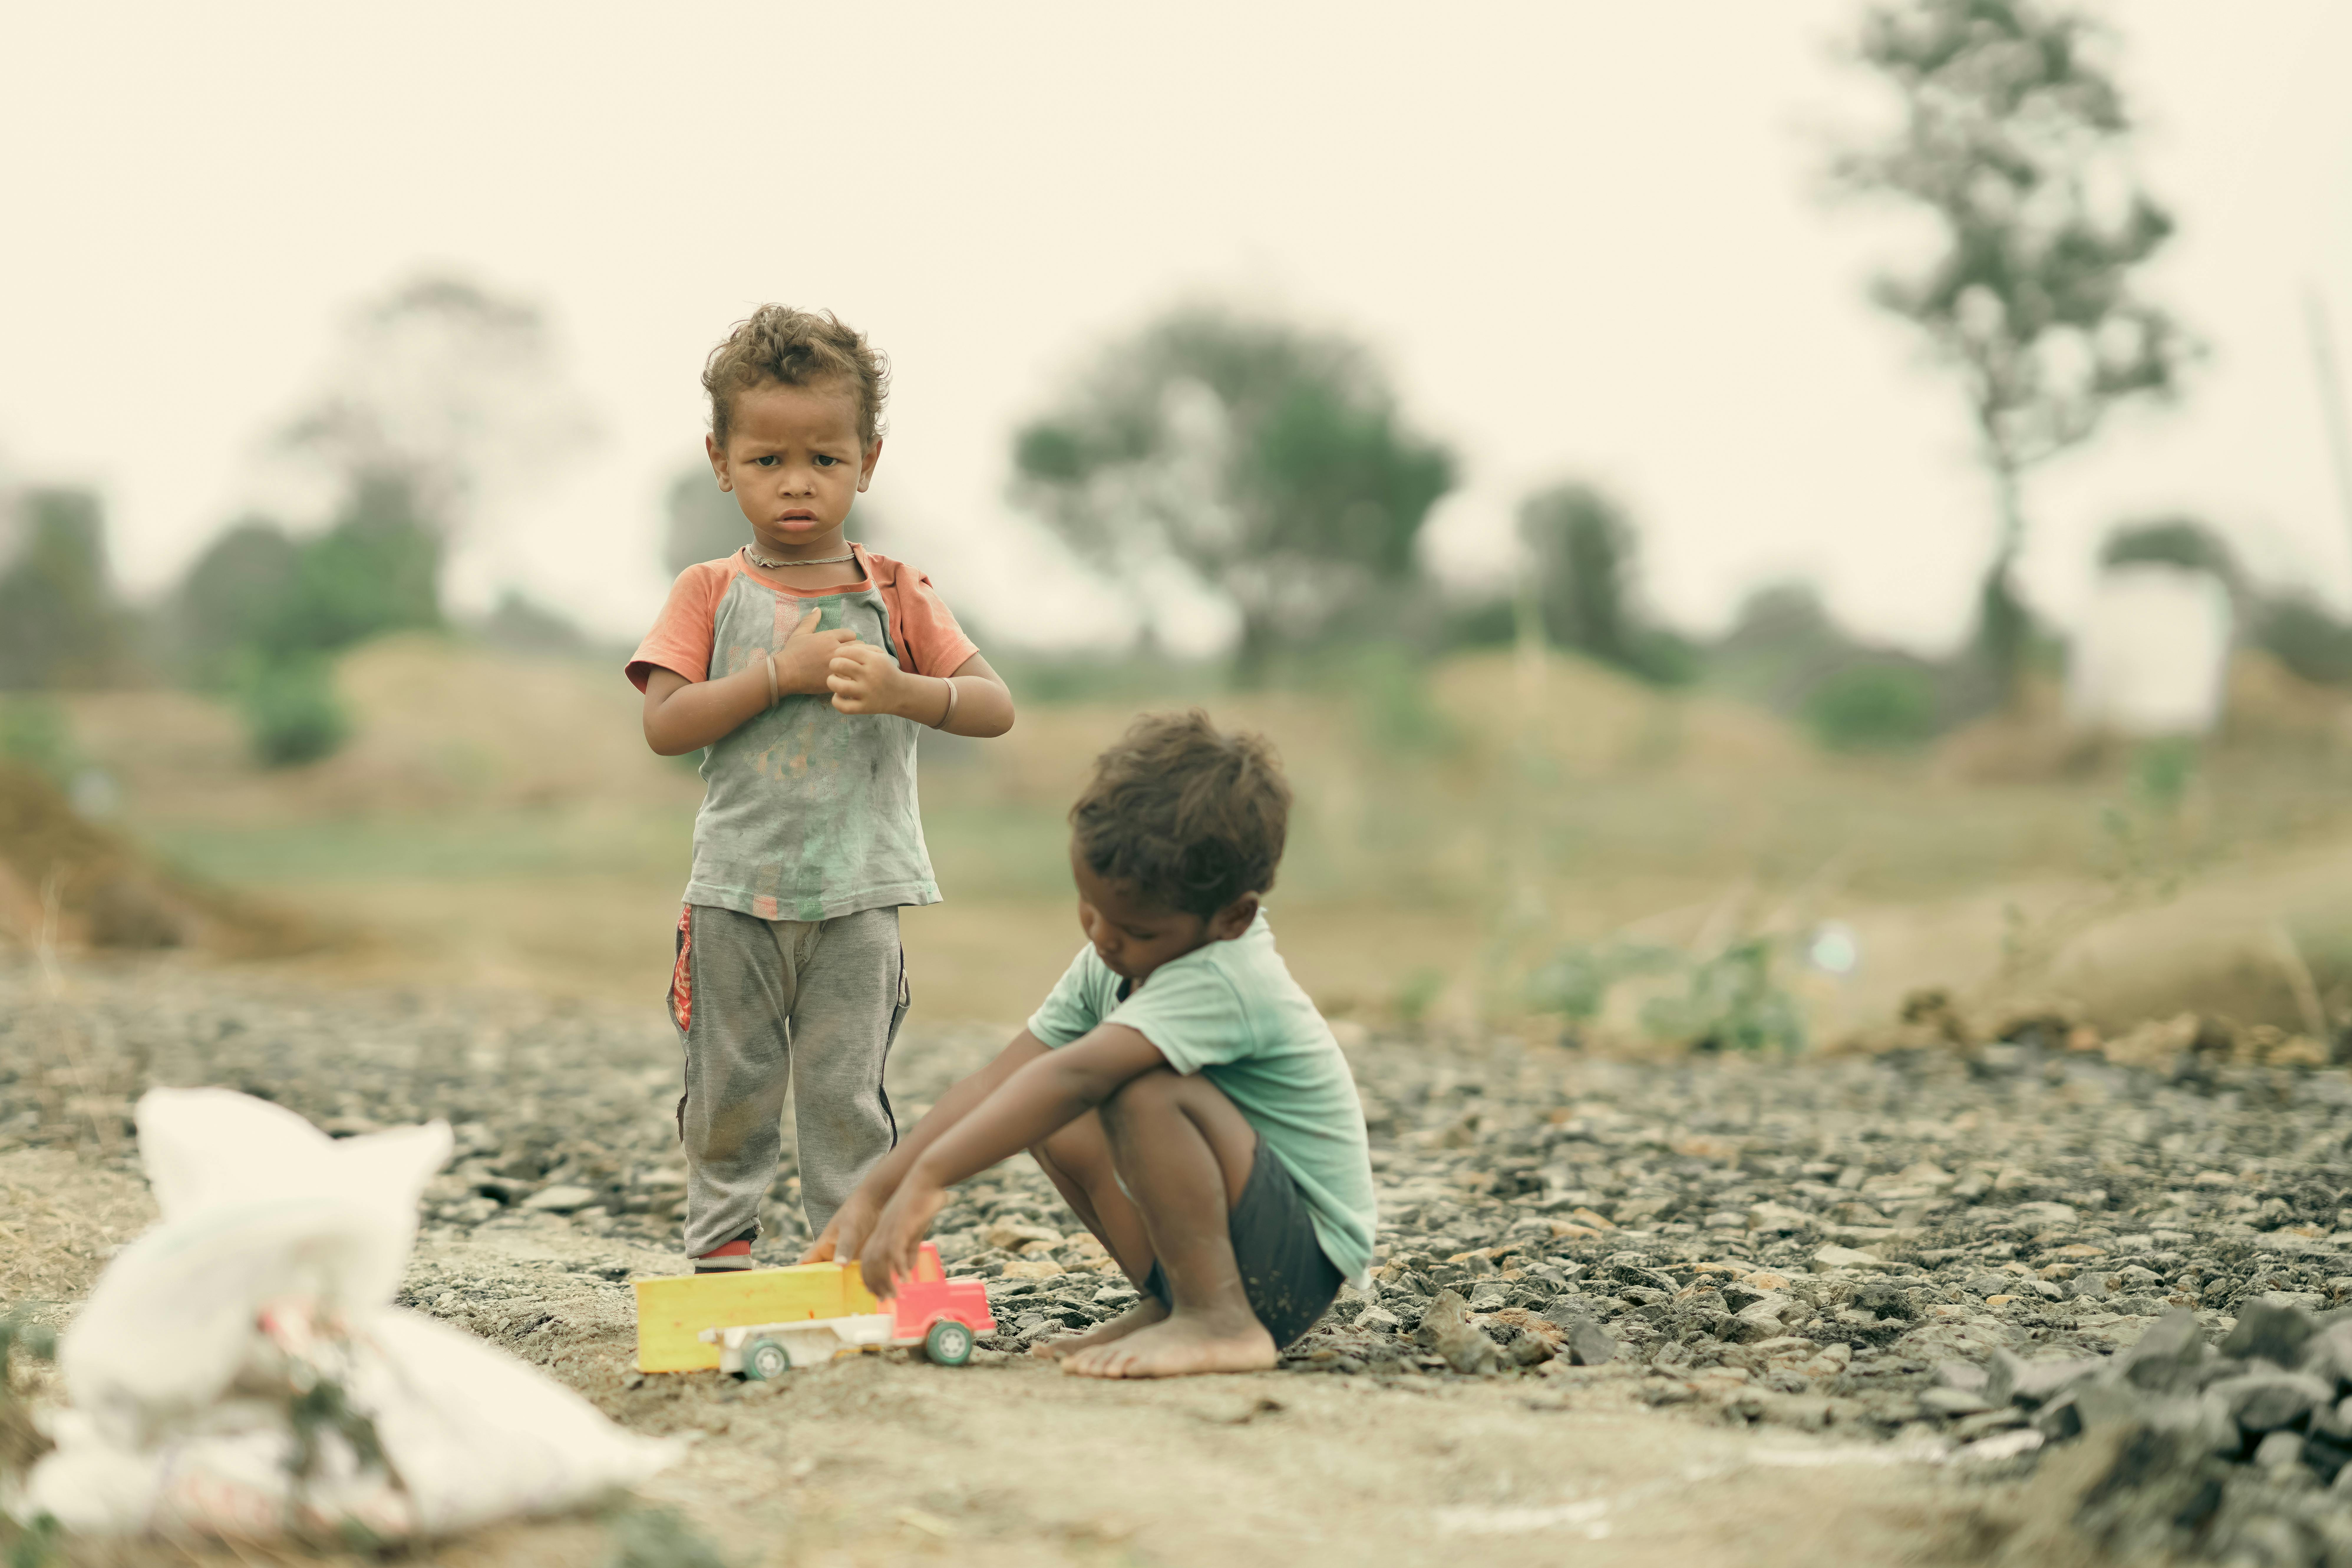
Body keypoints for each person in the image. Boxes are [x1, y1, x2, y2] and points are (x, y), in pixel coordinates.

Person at [805, 712, 1377, 1378]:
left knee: (1136, 1087)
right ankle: (1173, 1302)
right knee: (1043, 1110)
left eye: (1133, 928)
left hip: (1297, 1261)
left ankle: (1216, 1318)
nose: (1103, 938)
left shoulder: (1226, 975)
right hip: (1243, 1238)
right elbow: (1000, 1084)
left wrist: (934, 1176)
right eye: (1090, 908)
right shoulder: (1115, 958)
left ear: (1231, 917)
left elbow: (1076, 1077)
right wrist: (878, 1191)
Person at [626, 306, 1014, 1273]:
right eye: (767, 460)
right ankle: (721, 1250)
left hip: (860, 895)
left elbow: (992, 705)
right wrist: (774, 678)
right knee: (730, 1086)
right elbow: (665, 724)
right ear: (721, 461)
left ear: (867, 461)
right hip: (733, 892)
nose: (796, 483)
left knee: (846, 1091)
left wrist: (902, 690)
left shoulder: (894, 591)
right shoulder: (709, 591)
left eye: (824, 460)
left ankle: (849, 1256)